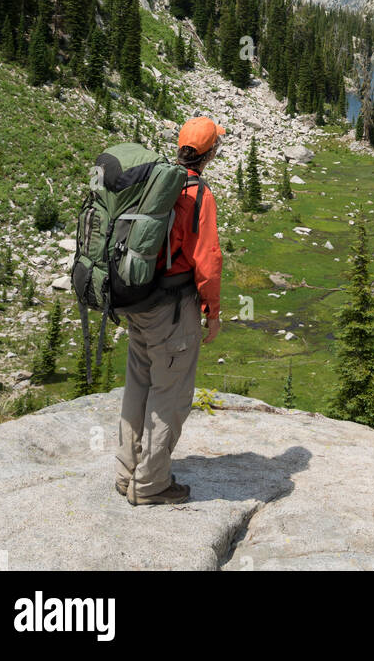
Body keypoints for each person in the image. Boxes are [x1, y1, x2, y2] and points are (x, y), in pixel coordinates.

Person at [115, 116, 224, 505]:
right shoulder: (199, 194)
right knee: (171, 395)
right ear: (210, 153)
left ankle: (127, 471)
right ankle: (151, 485)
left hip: (139, 301)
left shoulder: (153, 181)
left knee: (138, 385)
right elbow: (208, 260)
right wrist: (212, 313)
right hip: (174, 310)